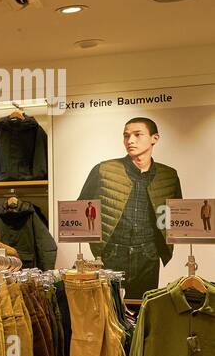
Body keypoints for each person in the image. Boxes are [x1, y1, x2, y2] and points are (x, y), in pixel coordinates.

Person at [78, 116, 183, 300]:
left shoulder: (169, 175)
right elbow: (81, 209)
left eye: (137, 135)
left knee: (143, 309)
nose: (130, 140)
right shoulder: (104, 169)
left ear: (154, 138)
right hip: (112, 252)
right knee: (110, 310)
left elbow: (175, 215)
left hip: (148, 255)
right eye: (126, 136)